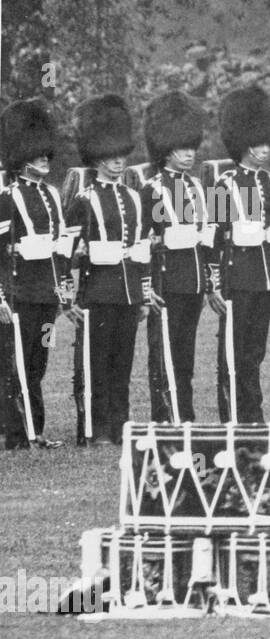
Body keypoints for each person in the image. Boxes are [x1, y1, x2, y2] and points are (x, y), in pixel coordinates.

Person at [65, 95, 152, 445]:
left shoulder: (133, 197)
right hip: (98, 291)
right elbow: (65, 252)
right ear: (97, 157)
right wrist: (67, 294)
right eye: (110, 155)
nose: (118, 161)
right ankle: (95, 427)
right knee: (95, 364)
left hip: (129, 291)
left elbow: (142, 248)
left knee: (122, 363)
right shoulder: (83, 200)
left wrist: (144, 294)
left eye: (121, 155)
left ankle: (120, 425)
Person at [0, 98, 76, 449]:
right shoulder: (7, 198)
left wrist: (63, 286)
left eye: (47, 153)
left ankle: (37, 428)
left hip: (46, 296)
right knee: (17, 365)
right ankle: (18, 433)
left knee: (38, 363)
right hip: (19, 294)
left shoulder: (52, 195)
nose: (45, 158)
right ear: (23, 155)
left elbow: (61, 247)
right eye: (38, 153)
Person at [213, 85, 270, 424]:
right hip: (237, 276)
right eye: (257, 144)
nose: (264, 150)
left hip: (266, 276)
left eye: (267, 143)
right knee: (234, 348)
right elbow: (216, 236)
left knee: (256, 350)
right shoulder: (225, 184)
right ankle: (233, 413)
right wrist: (215, 281)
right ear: (243, 144)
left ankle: (252, 410)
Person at [141, 91, 215, 423]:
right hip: (166, 280)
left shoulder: (202, 189)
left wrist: (214, 283)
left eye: (191, 147)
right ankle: (164, 413)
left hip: (195, 280)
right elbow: (144, 240)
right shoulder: (153, 190)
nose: (188, 154)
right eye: (181, 148)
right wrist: (146, 286)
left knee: (186, 354)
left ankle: (184, 412)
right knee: (163, 352)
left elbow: (218, 236)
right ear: (164, 150)